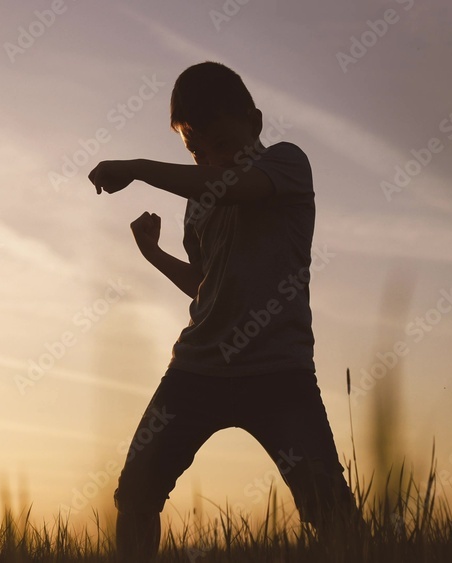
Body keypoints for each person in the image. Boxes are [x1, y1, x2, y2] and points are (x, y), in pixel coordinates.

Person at [88, 61, 364, 561]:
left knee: (328, 507)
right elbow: (206, 286)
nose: (211, 160)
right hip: (196, 371)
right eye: (196, 151)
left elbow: (235, 187)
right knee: (137, 493)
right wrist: (154, 255)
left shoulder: (286, 163)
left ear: (254, 123)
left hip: (278, 371)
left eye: (222, 143)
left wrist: (137, 168)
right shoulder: (196, 203)